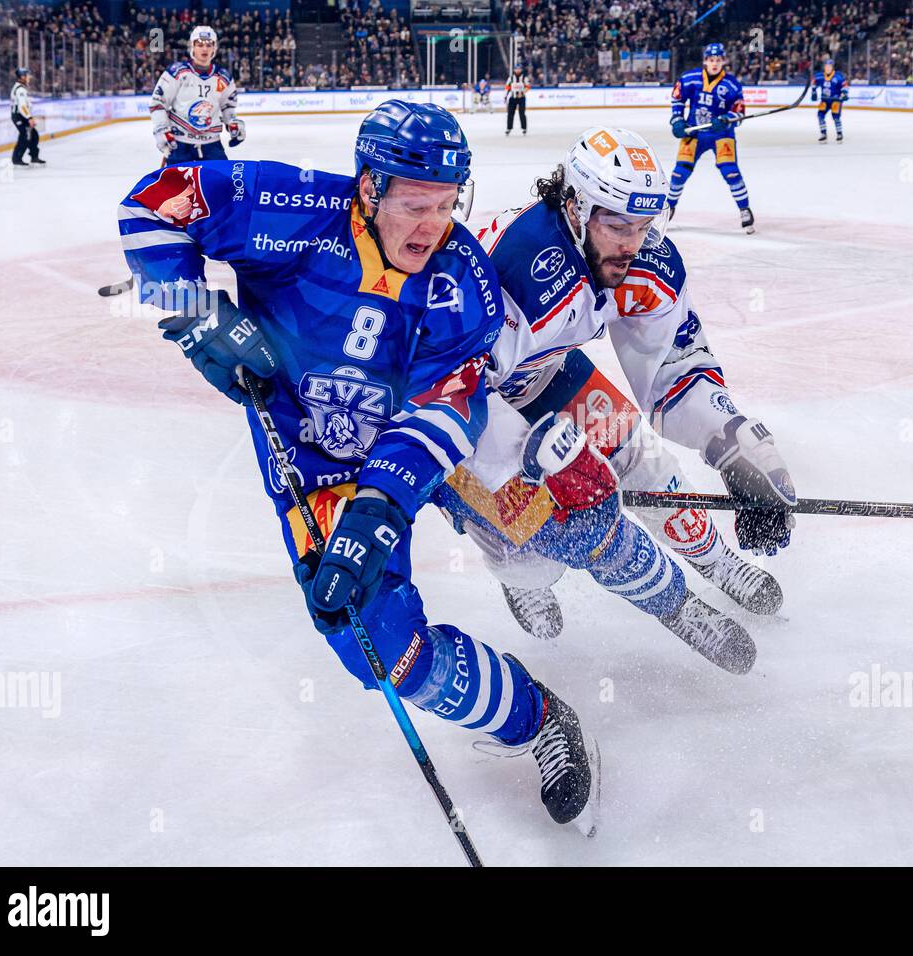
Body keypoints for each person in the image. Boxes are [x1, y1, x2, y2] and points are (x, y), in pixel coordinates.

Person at [116, 100, 598, 834]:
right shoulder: (285, 204)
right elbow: (152, 205)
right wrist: (194, 312)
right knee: (375, 647)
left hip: (410, 448)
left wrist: (382, 507)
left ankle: (561, 564)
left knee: (535, 528)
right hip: (314, 466)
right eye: (414, 204)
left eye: (447, 204)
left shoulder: (462, 282)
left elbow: (446, 408)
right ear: (368, 189)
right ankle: (535, 717)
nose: (433, 225)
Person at [459, 127, 795, 651]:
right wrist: (528, 467)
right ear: (574, 206)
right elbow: (457, 392)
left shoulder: (644, 260)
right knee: (526, 524)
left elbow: (670, 371)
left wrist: (734, 445)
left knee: (640, 454)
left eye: (643, 225)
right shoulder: (515, 268)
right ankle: (522, 572)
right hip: (467, 396)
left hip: (543, 370)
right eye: (616, 225)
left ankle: (713, 556)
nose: (633, 244)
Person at [667, 42, 755, 233]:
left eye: (718, 60)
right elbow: (677, 99)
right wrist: (677, 120)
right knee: (679, 173)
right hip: (694, 132)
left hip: (721, 135)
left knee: (730, 172)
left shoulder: (732, 85)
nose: (714, 63)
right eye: (711, 60)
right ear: (705, 60)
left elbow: (739, 111)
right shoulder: (690, 78)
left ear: (724, 61)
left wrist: (727, 119)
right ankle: (668, 210)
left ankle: (744, 209)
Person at [150, 25, 244, 163]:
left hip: (211, 144)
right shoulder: (177, 72)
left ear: (214, 47)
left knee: (220, 183)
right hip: (179, 144)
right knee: (177, 185)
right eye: (199, 44)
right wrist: (162, 129)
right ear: (192, 47)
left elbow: (228, 106)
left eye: (209, 44)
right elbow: (158, 103)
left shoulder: (223, 77)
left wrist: (233, 123)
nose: (204, 48)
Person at [10, 67, 45, 166]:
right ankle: (16, 159)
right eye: (27, 75)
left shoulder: (22, 88)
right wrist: (29, 118)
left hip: (22, 116)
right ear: (22, 77)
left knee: (33, 136)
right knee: (25, 136)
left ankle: (34, 156)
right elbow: (22, 106)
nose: (29, 77)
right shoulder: (20, 90)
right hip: (19, 116)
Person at [811, 58, 849, 142]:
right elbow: (814, 82)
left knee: (836, 117)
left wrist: (844, 94)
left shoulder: (838, 76)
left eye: (829, 66)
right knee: (820, 115)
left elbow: (845, 86)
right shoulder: (820, 76)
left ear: (832, 67)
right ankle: (823, 133)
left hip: (836, 100)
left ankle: (839, 133)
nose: (828, 68)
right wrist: (814, 92)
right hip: (825, 100)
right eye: (826, 66)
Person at [505, 65, 530, 135]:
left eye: (519, 69)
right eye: (516, 69)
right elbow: (507, 87)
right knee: (510, 113)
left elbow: (528, 87)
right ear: (514, 70)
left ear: (521, 70)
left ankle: (524, 128)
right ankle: (508, 128)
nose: (518, 70)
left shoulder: (524, 78)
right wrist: (505, 96)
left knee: (522, 113)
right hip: (513, 98)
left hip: (521, 98)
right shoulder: (511, 78)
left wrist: (522, 93)